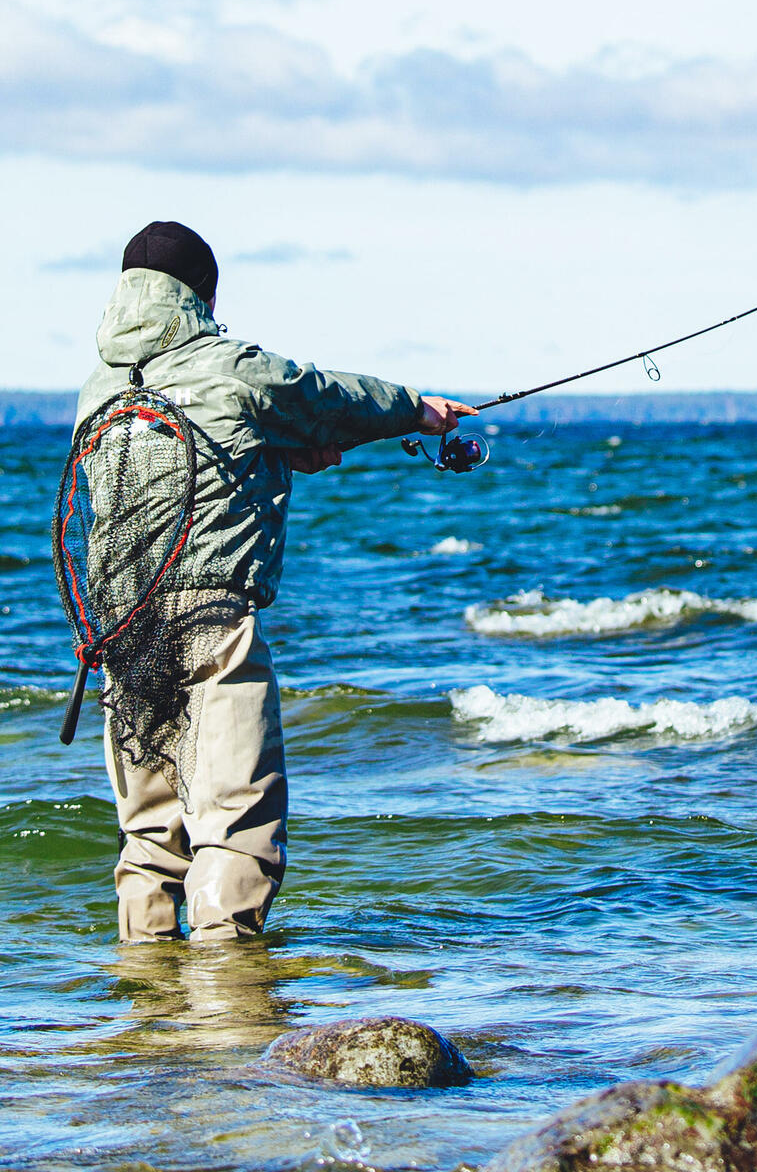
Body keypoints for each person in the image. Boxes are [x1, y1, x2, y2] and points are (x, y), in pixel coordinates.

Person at [74, 220, 474, 942]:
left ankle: (146, 1028)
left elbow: (200, 453)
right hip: (210, 624)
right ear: (200, 294)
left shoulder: (96, 390)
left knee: (151, 841)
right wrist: (417, 408)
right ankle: (229, 1021)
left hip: (120, 634)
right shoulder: (230, 366)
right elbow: (316, 395)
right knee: (233, 826)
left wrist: (280, 453)